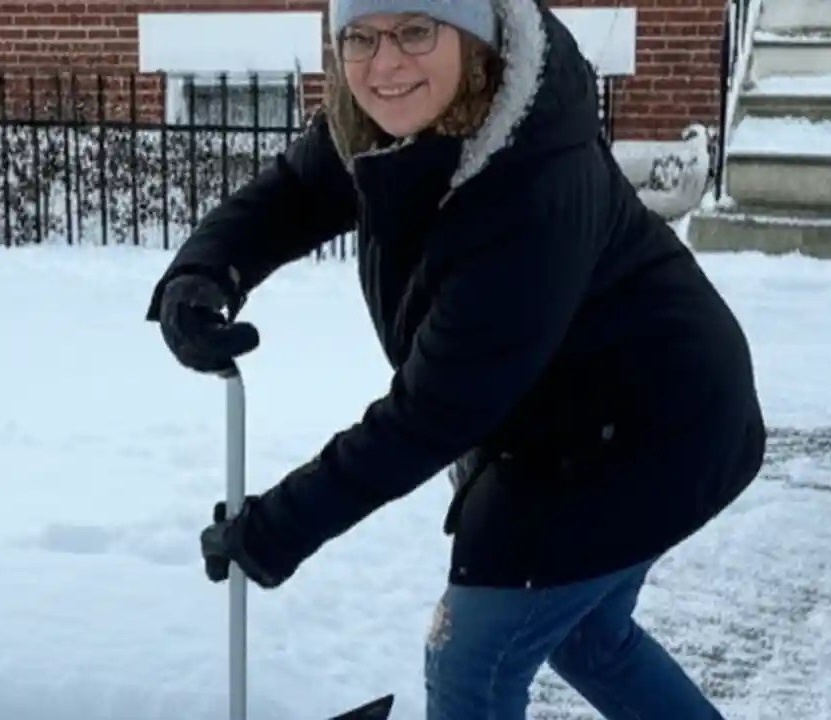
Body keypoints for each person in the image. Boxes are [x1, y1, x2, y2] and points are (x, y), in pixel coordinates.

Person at [145, 0, 767, 717]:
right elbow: (296, 190)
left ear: (475, 37)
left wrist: (275, 528)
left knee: (473, 658)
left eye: (416, 30)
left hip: (648, 426)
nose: (385, 64)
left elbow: (431, 414)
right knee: (586, 633)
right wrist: (207, 270)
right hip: (570, 409)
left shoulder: (531, 185)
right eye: (361, 36)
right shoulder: (378, 121)